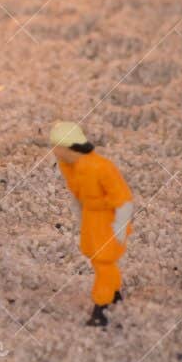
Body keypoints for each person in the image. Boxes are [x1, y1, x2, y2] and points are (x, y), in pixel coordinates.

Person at [50, 120, 133, 327]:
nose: (54, 151)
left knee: (103, 262)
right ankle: (114, 293)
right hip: (91, 219)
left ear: (68, 147)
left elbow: (123, 199)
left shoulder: (101, 167)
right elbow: (77, 196)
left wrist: (121, 227)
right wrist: (80, 217)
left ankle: (100, 307)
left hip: (107, 220)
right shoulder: (69, 166)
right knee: (99, 258)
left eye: (57, 147)